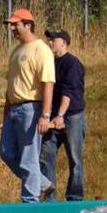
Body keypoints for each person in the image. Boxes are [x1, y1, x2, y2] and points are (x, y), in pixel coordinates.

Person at [0, 8, 54, 202]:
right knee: (6, 152)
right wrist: (6, 112)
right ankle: (42, 183)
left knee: (28, 158)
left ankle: (30, 201)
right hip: (14, 109)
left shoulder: (41, 49)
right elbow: (12, 84)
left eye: (15, 24)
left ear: (28, 25)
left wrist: (45, 115)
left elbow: (48, 83)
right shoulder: (16, 51)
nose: (12, 28)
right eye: (11, 25)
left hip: (31, 109)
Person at [39, 28, 85, 200]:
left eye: (54, 40)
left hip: (72, 116)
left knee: (75, 159)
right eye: (49, 39)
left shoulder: (72, 63)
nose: (50, 42)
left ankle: (75, 198)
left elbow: (69, 92)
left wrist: (60, 115)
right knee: (45, 155)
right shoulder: (50, 62)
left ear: (64, 43)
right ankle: (50, 199)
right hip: (53, 117)